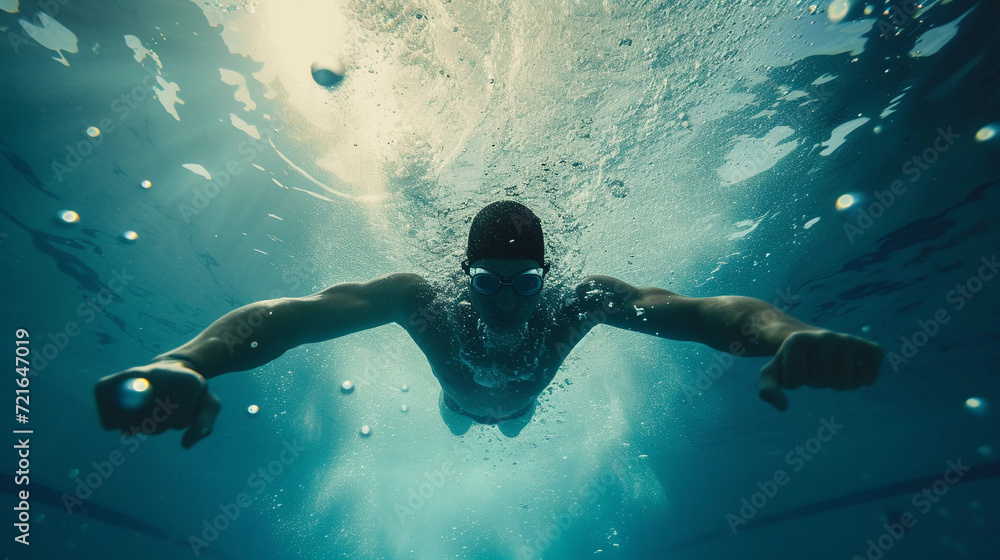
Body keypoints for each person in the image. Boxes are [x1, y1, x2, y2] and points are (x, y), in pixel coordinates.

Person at [94, 201, 882, 446]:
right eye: (486, 281)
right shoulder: (420, 300)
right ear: (459, 274)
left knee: (509, 424)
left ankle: (504, 421)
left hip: (523, 407)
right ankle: (469, 418)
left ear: (550, 276)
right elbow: (294, 318)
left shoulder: (580, 302)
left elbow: (703, 313)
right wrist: (191, 359)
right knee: (465, 420)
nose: (506, 300)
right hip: (459, 402)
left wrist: (782, 334)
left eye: (526, 282)